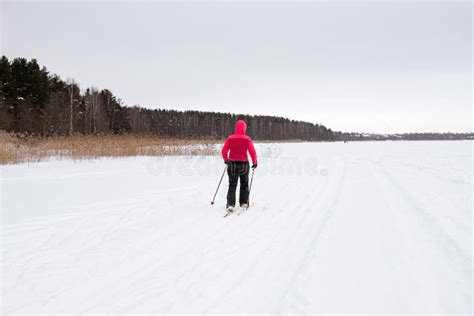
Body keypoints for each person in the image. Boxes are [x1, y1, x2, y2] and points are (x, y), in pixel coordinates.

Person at [221, 120, 258, 211]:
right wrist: (255, 163)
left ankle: (230, 204)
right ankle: (244, 203)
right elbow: (252, 152)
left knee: (232, 184)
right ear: (244, 128)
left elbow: (224, 151)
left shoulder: (230, 138)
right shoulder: (247, 139)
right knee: (244, 184)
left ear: (236, 128)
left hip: (232, 164)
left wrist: (226, 160)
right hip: (244, 165)